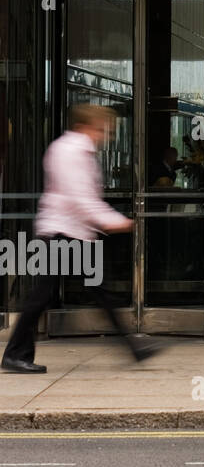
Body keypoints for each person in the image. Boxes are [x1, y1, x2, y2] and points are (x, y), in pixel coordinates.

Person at [2, 105, 164, 374]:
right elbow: (81, 198)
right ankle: (15, 353)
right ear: (89, 126)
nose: (107, 134)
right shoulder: (70, 152)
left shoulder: (79, 152)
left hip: (75, 234)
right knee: (44, 296)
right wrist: (114, 221)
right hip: (60, 234)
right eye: (104, 128)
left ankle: (135, 349)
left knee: (97, 293)